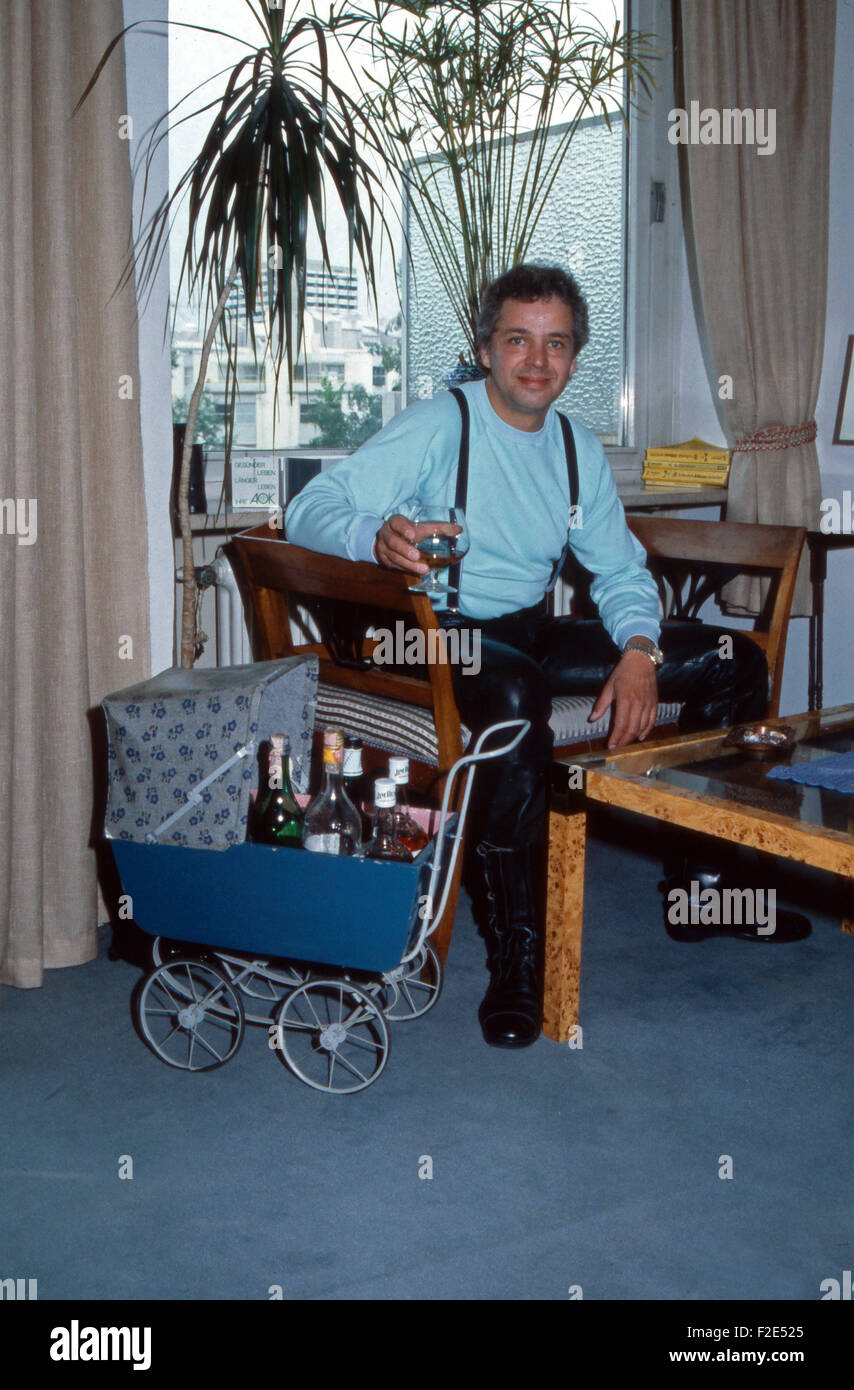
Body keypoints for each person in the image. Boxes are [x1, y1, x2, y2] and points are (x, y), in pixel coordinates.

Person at [286, 264, 776, 1050]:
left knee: (732, 659)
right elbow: (311, 507)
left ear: (575, 360)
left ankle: (706, 891)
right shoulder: (442, 423)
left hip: (525, 629)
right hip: (432, 635)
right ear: (487, 349)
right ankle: (517, 958)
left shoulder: (577, 448)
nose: (537, 361)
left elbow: (618, 571)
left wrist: (641, 650)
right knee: (513, 694)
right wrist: (371, 538)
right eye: (518, 340)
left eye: (556, 344)